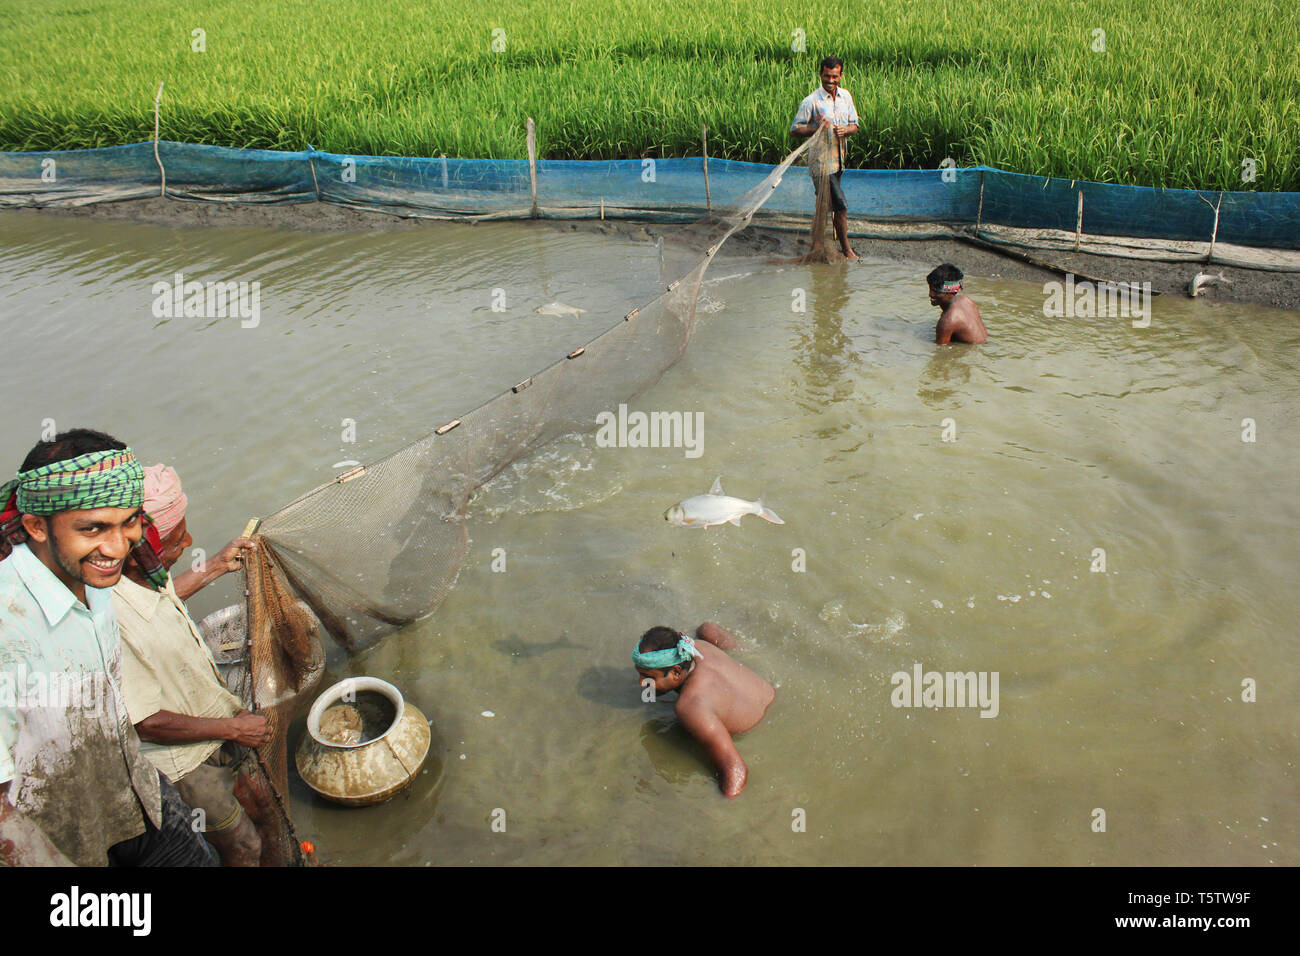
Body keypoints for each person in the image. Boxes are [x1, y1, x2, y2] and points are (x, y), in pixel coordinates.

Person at [0, 429, 216, 866]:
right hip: (58, 838)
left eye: (130, 521)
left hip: (132, 789)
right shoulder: (10, 627)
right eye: (93, 528)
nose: (118, 547)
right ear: (36, 525)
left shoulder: (93, 581)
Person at [114, 463, 266, 866]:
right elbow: (146, 722)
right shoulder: (107, 616)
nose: (190, 541)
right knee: (243, 846)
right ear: (140, 549)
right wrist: (235, 727)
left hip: (216, 721)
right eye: (179, 538)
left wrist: (216, 563)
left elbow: (164, 598)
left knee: (262, 804)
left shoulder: (143, 574)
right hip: (183, 763)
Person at [633, 622, 775, 797]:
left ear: (677, 672)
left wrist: (725, 808)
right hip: (768, 694)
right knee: (706, 629)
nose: (641, 683)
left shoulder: (690, 707)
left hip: (757, 726)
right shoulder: (697, 647)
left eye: (648, 677)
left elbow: (736, 769)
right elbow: (708, 627)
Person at [790, 56, 860, 260]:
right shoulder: (811, 101)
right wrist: (816, 127)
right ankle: (847, 249)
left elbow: (855, 125)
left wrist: (846, 130)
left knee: (824, 206)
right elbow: (795, 129)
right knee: (841, 205)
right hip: (821, 163)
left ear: (841, 75)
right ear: (820, 74)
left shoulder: (846, 97)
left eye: (835, 76)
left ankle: (818, 246)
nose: (831, 80)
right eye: (827, 76)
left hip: (839, 161)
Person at [927, 264, 987, 344]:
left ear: (951, 291)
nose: (930, 294)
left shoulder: (947, 321)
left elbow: (941, 351)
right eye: (931, 288)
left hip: (971, 351)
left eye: (936, 291)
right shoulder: (966, 300)